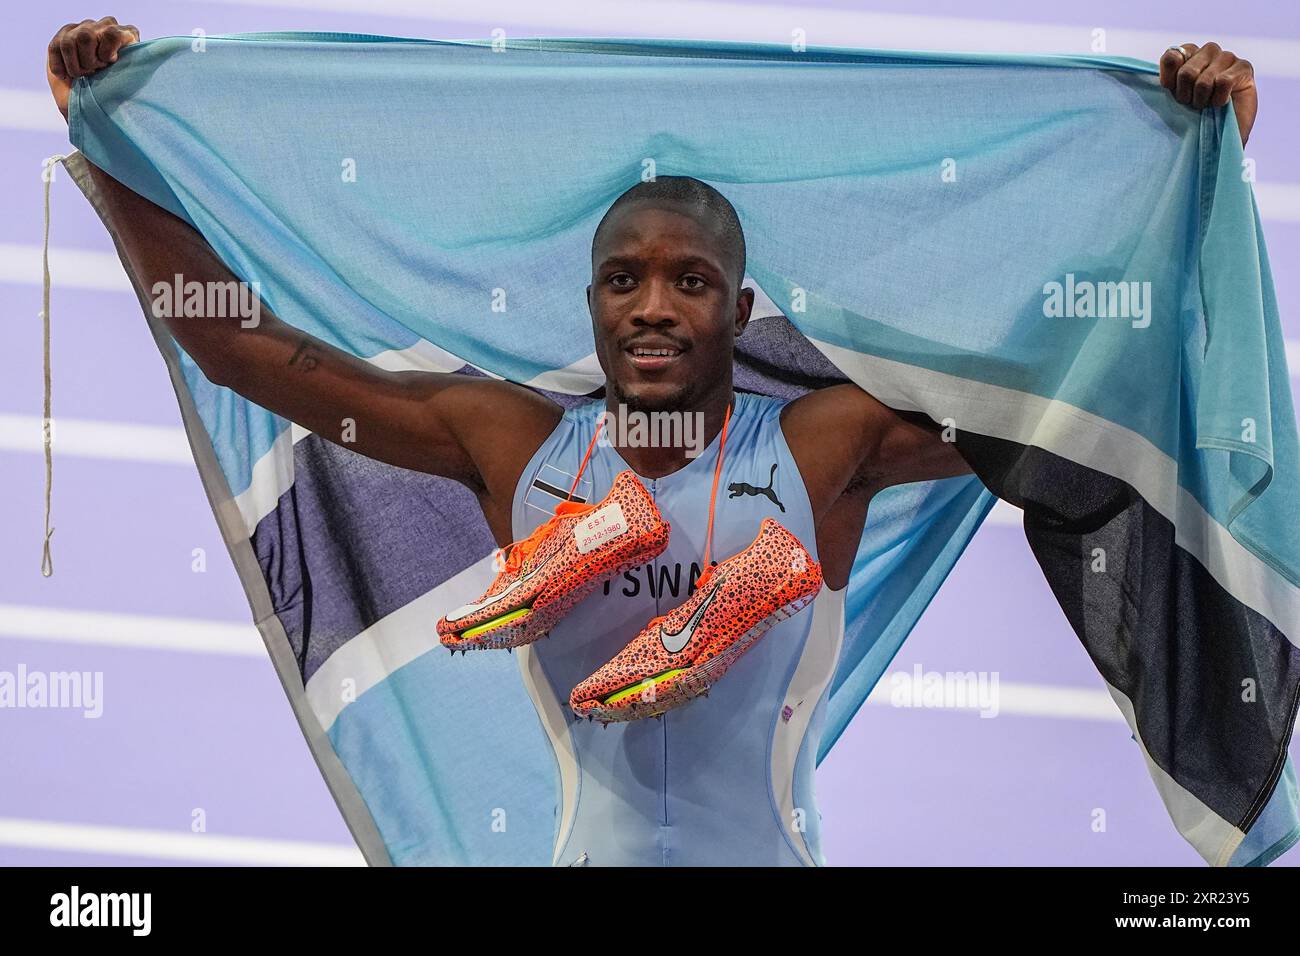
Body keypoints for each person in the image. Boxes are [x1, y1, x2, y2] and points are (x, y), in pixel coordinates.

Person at [46, 18, 1261, 866]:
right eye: (621, 279)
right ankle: (607, 549)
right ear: (589, 306)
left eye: (688, 281)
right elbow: (252, 354)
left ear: (738, 311)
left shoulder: (825, 444)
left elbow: (1061, 386)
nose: (651, 305)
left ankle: (716, 571)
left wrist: (1193, 168)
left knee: (776, 532)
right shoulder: (508, 437)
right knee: (588, 522)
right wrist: (115, 139)